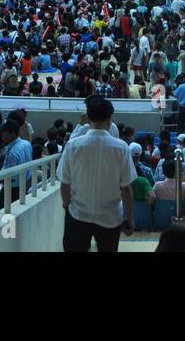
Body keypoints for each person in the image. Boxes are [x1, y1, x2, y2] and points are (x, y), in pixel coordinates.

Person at [57, 96, 135, 252]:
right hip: (110, 216)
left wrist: (67, 205)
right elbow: (126, 188)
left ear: (88, 118)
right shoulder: (121, 147)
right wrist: (130, 218)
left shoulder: (73, 145)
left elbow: (65, 184)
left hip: (78, 213)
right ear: (109, 119)